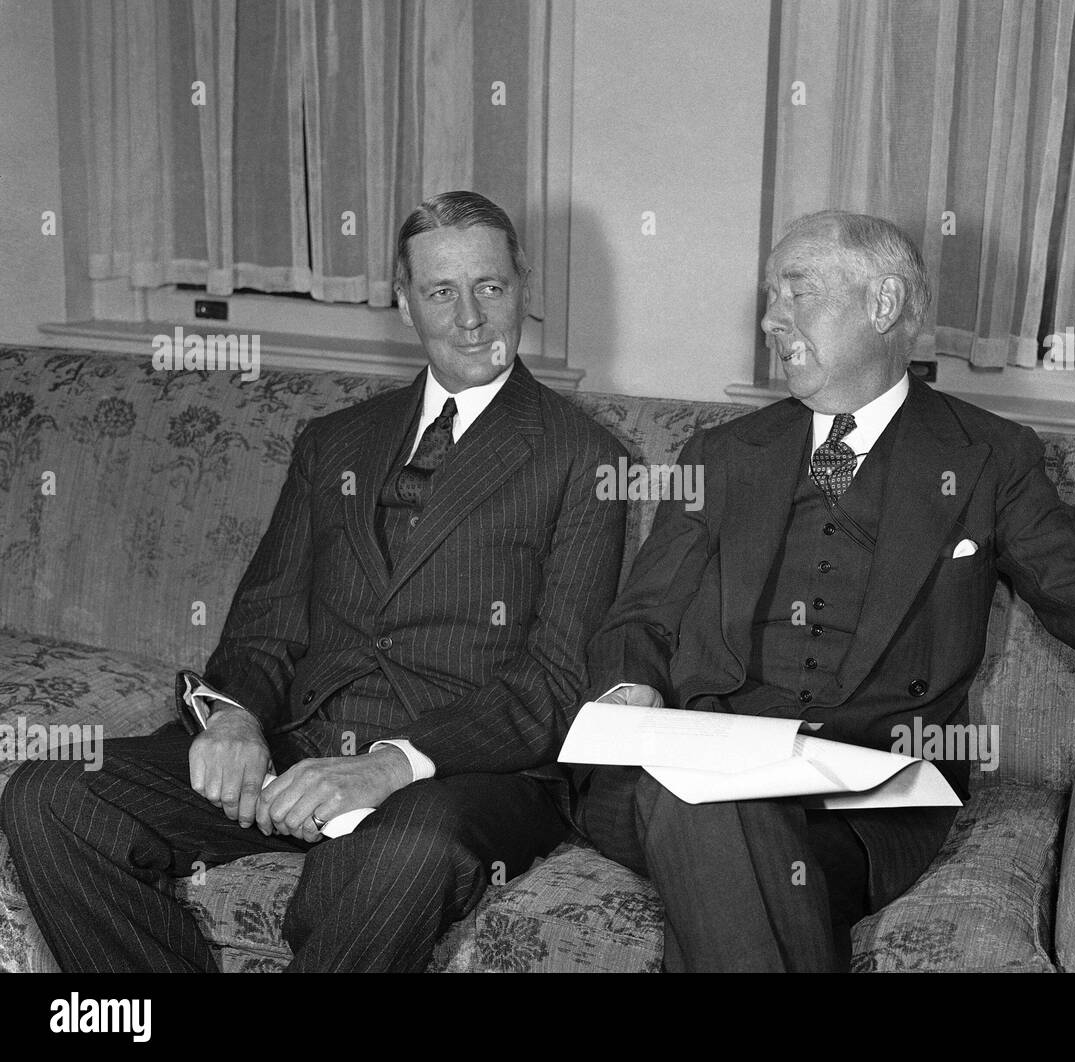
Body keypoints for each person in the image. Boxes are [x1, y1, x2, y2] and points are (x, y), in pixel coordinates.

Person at [573, 211, 1075, 973]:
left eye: (796, 293)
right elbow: (642, 616)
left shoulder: (985, 457)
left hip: (865, 795)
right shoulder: (722, 456)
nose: (769, 318)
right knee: (705, 805)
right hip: (693, 757)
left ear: (884, 305)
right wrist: (627, 691)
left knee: (715, 828)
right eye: (769, 296)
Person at [0, 191, 628, 972]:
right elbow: (265, 625)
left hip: (460, 772)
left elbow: (553, 683)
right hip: (298, 746)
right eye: (441, 291)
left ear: (522, 288)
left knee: (401, 855)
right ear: (404, 302)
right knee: (51, 792)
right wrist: (233, 719)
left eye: (490, 287)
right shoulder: (335, 441)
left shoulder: (586, 459)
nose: (470, 317)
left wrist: (387, 764)